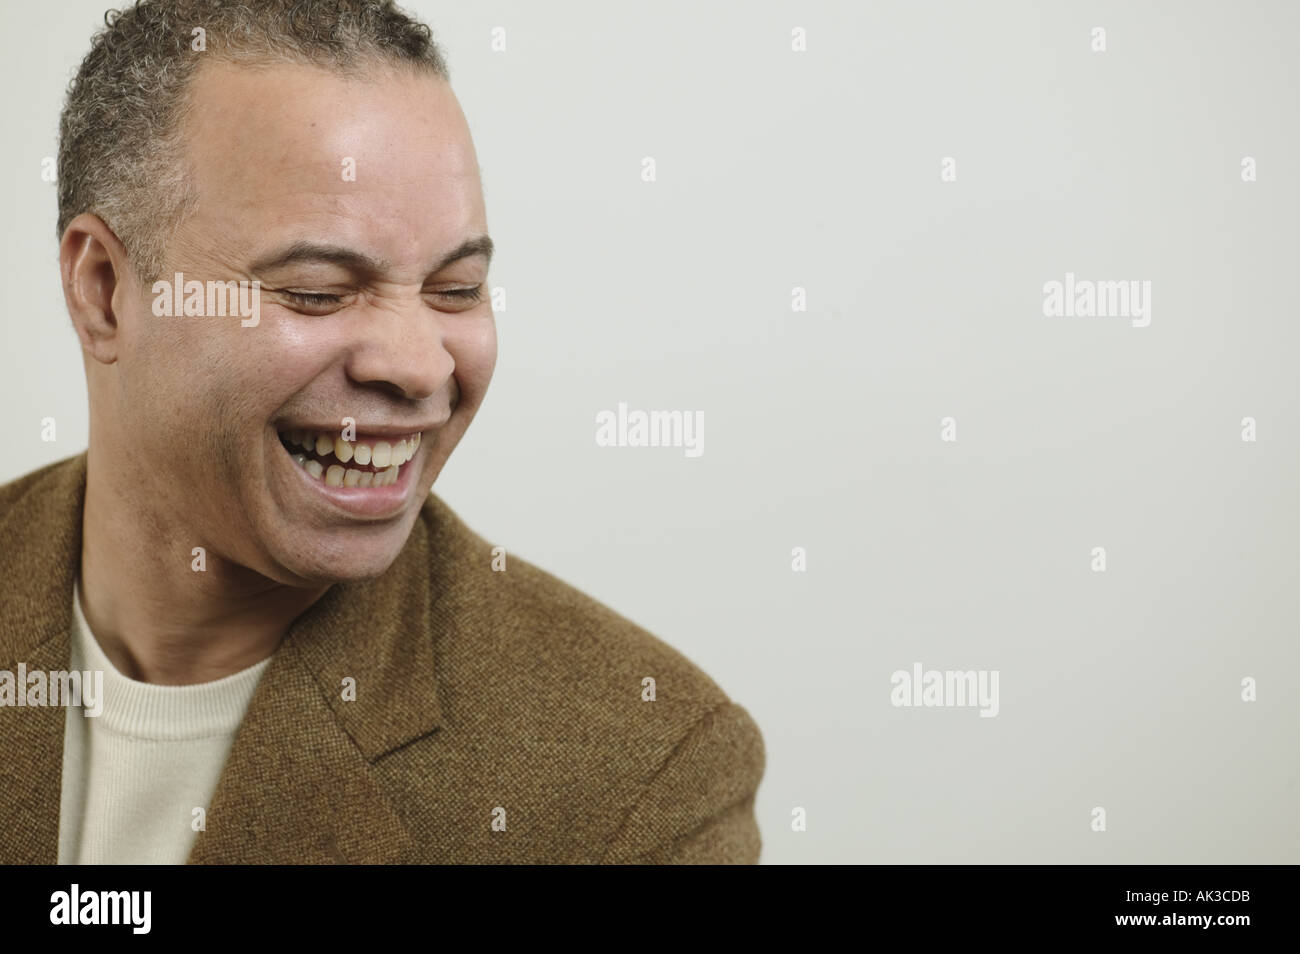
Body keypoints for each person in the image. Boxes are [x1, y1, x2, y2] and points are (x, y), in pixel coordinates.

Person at [0, 0, 763, 864]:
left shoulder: (639, 781)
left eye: (456, 289)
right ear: (104, 291)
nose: (421, 365)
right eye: (319, 290)